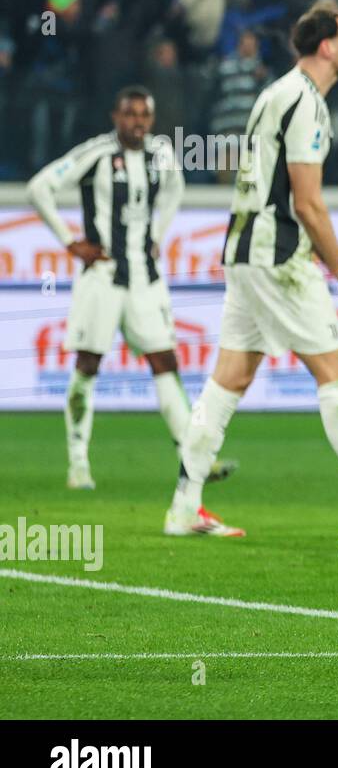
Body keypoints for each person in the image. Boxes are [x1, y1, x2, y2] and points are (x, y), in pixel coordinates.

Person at [163, 1, 338, 537]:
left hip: (246, 250)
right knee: (335, 374)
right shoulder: (307, 104)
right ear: (326, 47)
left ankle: (184, 506)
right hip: (274, 256)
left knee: (231, 378)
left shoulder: (276, 95)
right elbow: (308, 205)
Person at [27, 87, 237, 492]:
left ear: (152, 119)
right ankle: (78, 464)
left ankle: (193, 459)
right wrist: (69, 241)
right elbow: (39, 188)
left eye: (144, 114)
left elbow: (176, 190)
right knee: (88, 365)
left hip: (145, 279)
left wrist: (157, 232)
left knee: (165, 362)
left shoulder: (162, 155)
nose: (137, 121)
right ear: (115, 116)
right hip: (102, 276)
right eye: (129, 114)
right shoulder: (96, 154)